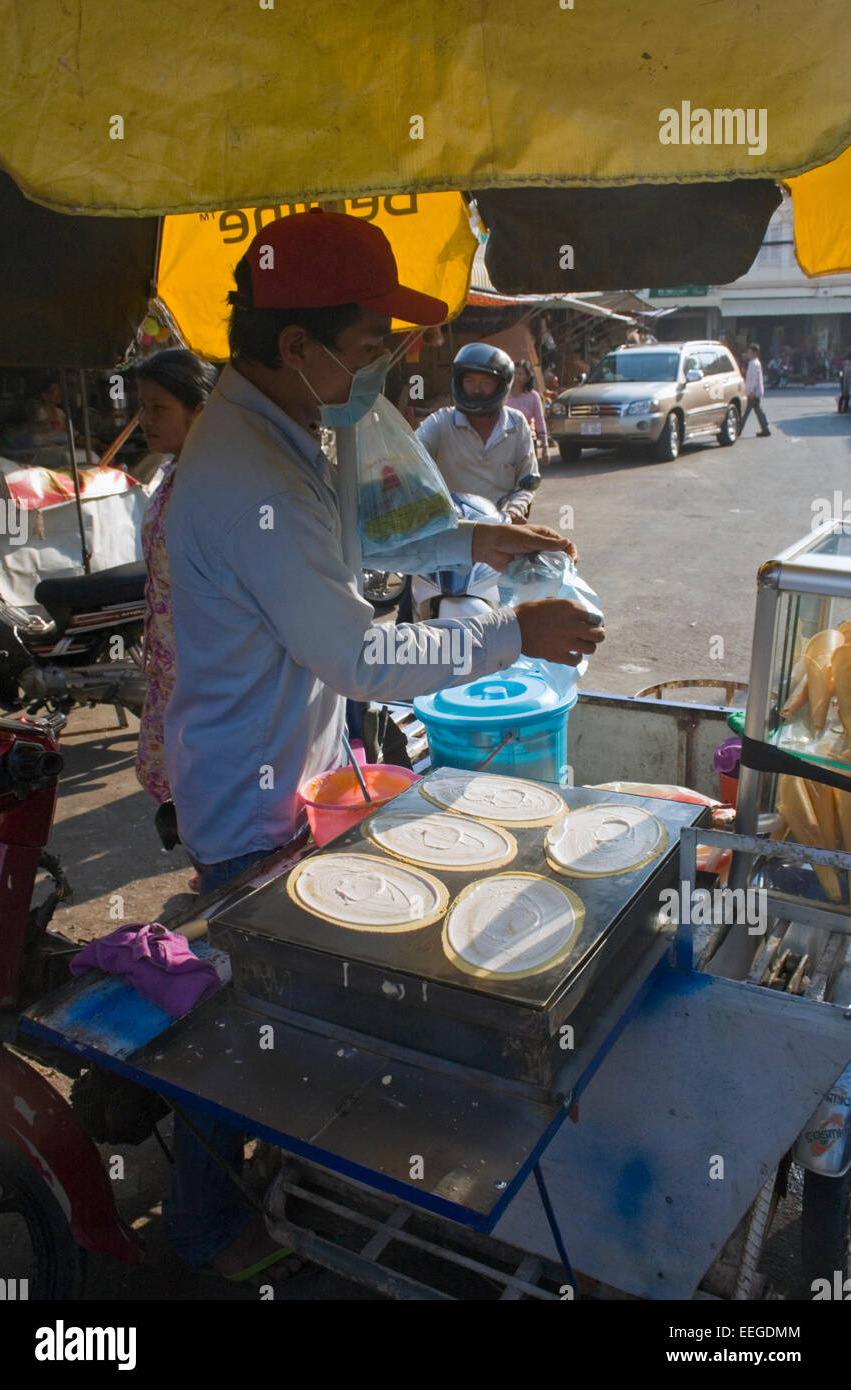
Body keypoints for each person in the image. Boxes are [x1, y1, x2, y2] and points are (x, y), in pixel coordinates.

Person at [160, 209, 604, 1281]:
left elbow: (350, 536)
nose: (379, 367)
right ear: (297, 344)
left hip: (286, 768)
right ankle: (205, 1234)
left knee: (274, 994)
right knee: (253, 1013)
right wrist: (512, 629)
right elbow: (360, 653)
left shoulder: (274, 424)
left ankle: (249, 1190)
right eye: (365, 346)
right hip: (246, 792)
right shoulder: (246, 471)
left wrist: (470, 538)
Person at [132, 350, 218, 881]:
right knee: (182, 784)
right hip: (170, 663)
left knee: (204, 784)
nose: (145, 420)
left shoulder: (213, 485)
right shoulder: (174, 471)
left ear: (200, 411)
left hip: (201, 667)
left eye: (158, 407)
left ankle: (217, 878)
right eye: (141, 407)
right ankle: (208, 871)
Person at [416, 344, 540, 523]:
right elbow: (410, 456)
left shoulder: (517, 424)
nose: (476, 389)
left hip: (500, 525)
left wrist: (514, 511)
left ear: (501, 386)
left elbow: (527, 482)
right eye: (469, 381)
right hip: (453, 526)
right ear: (459, 382)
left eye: (486, 383)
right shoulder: (440, 422)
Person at [508, 359, 549, 465]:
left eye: (520, 374)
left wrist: (545, 446)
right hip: (506, 442)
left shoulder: (533, 396)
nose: (517, 377)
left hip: (527, 440)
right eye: (514, 373)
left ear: (527, 377)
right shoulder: (503, 396)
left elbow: (540, 420)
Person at [739, 343, 771, 438]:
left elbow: (754, 379)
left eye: (749, 352)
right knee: (757, 410)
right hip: (754, 392)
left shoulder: (754, 364)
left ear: (754, 353)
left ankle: (738, 430)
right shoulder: (753, 363)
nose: (748, 354)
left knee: (746, 412)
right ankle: (765, 428)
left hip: (753, 392)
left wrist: (751, 391)